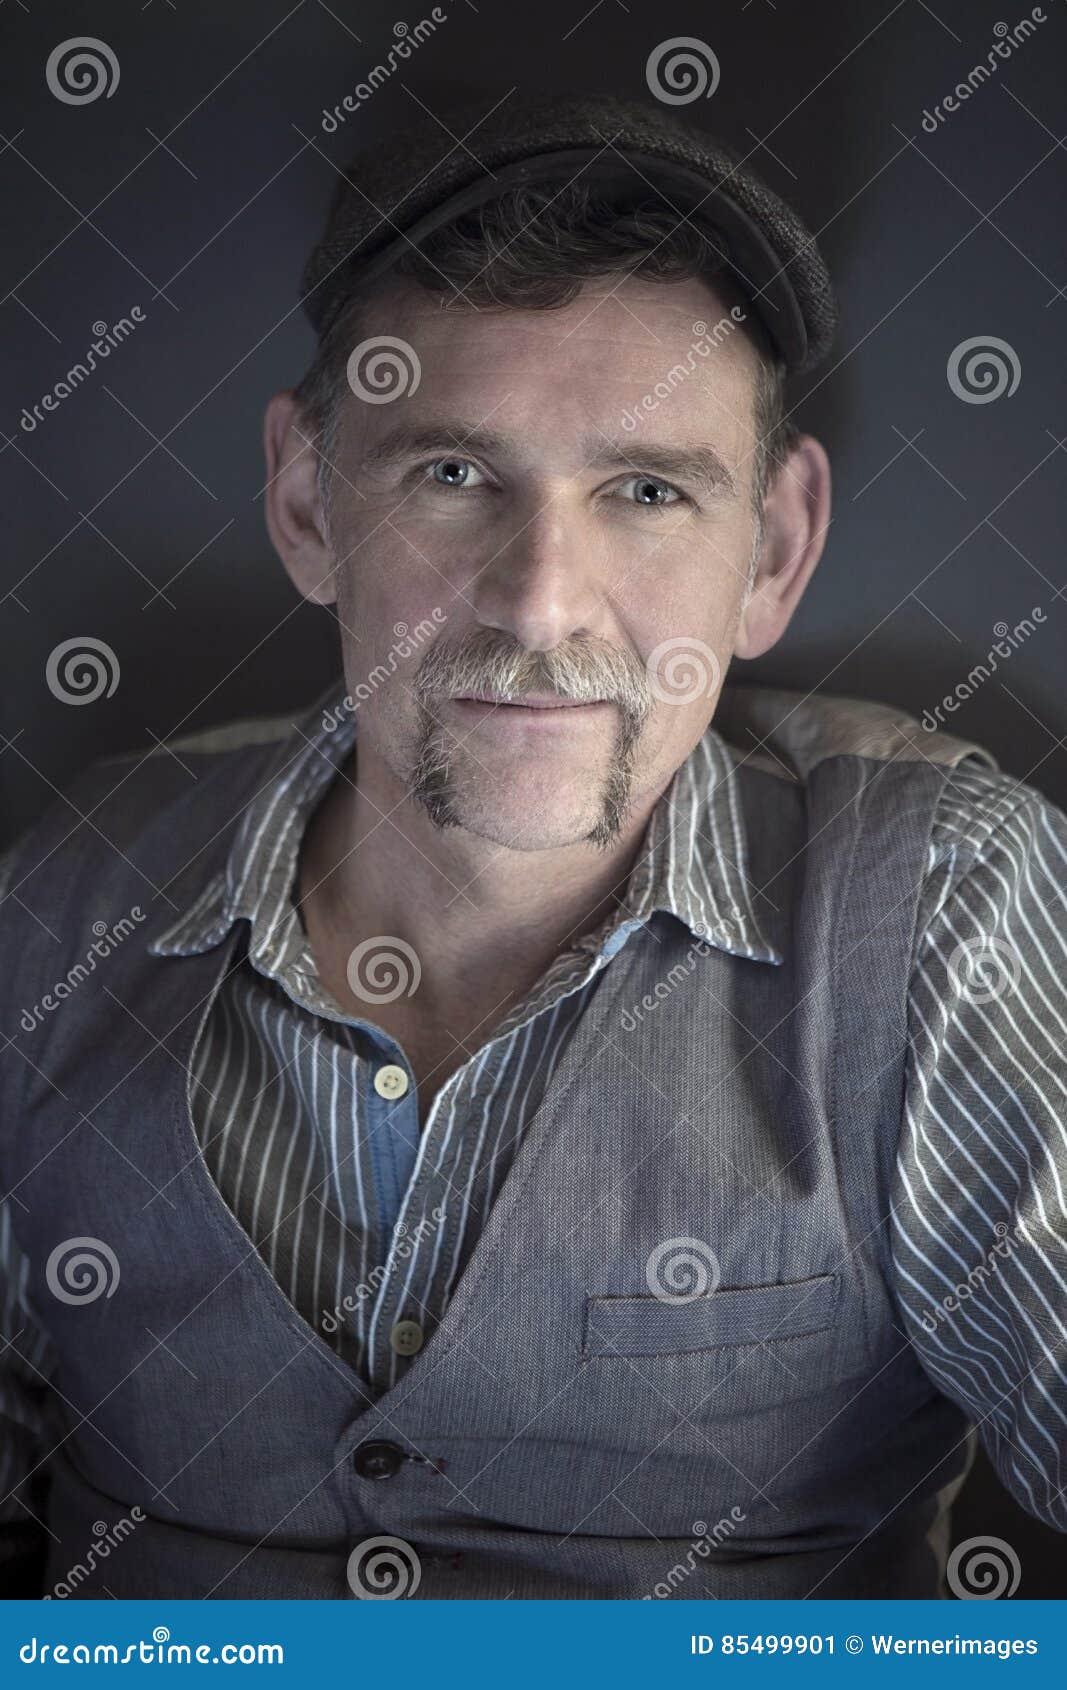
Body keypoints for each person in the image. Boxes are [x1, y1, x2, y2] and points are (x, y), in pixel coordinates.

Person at [1, 90, 1064, 1601]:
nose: (537, 602)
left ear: (771, 551)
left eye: (645, 490)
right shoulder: (66, 891)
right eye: (451, 475)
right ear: (308, 505)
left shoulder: (938, 909)